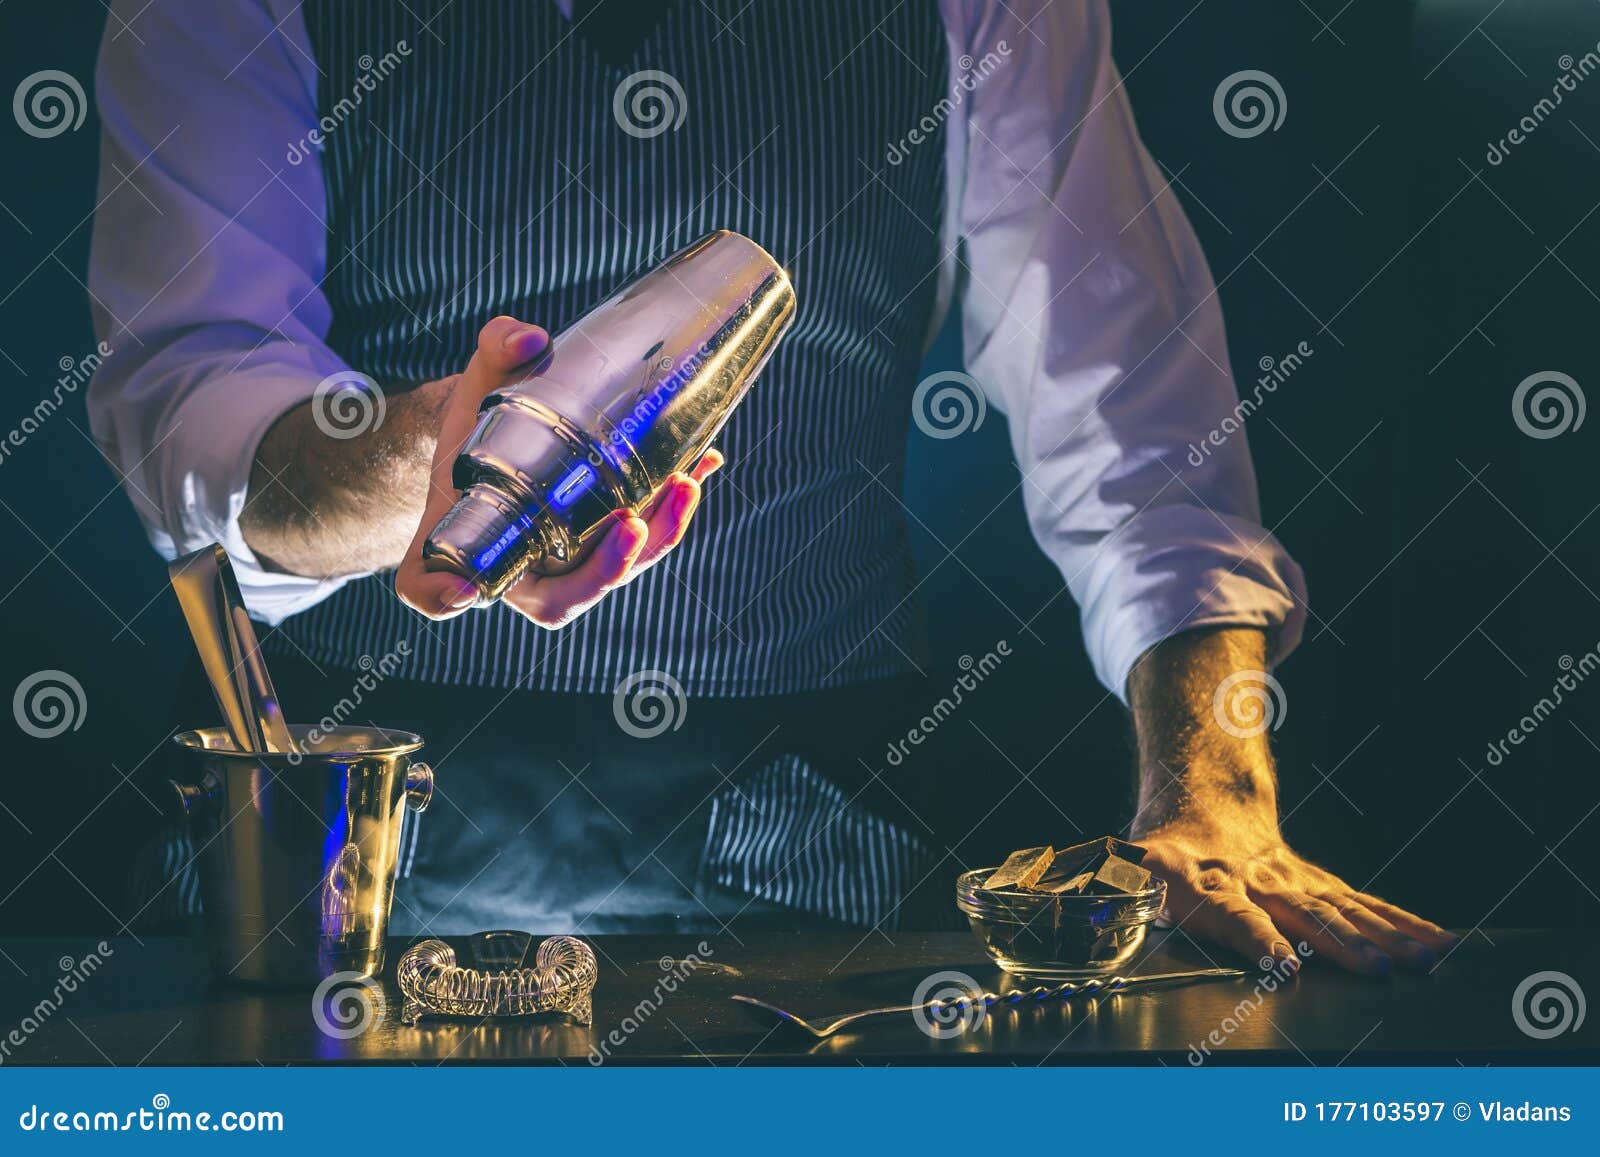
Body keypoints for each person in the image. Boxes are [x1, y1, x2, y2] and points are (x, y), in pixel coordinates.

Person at [89, 0, 1453, 970]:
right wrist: (440, 459)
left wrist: (1214, 796)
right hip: (347, 860)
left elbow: (1146, 440)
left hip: (814, 854)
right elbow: (191, 406)